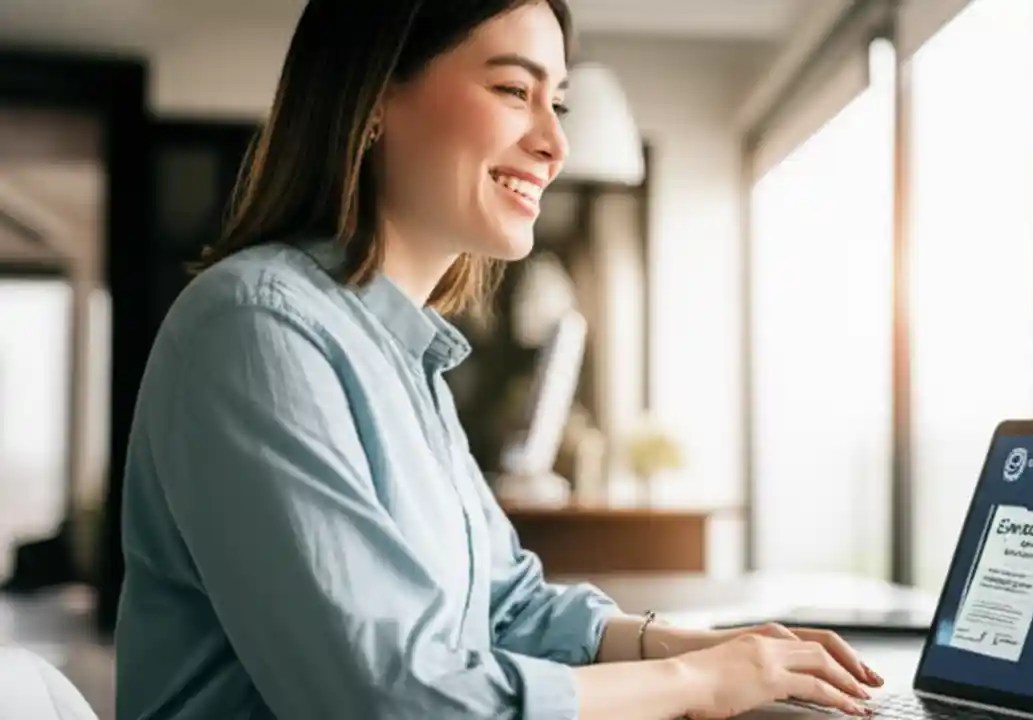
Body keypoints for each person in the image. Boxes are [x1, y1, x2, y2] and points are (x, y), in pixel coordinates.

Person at [114, 1, 884, 718]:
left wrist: (689, 643)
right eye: (515, 89)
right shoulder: (257, 329)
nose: (554, 142)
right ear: (374, 98)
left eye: (561, 104)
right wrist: (696, 682)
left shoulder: (400, 355)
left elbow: (504, 604)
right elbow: (388, 697)